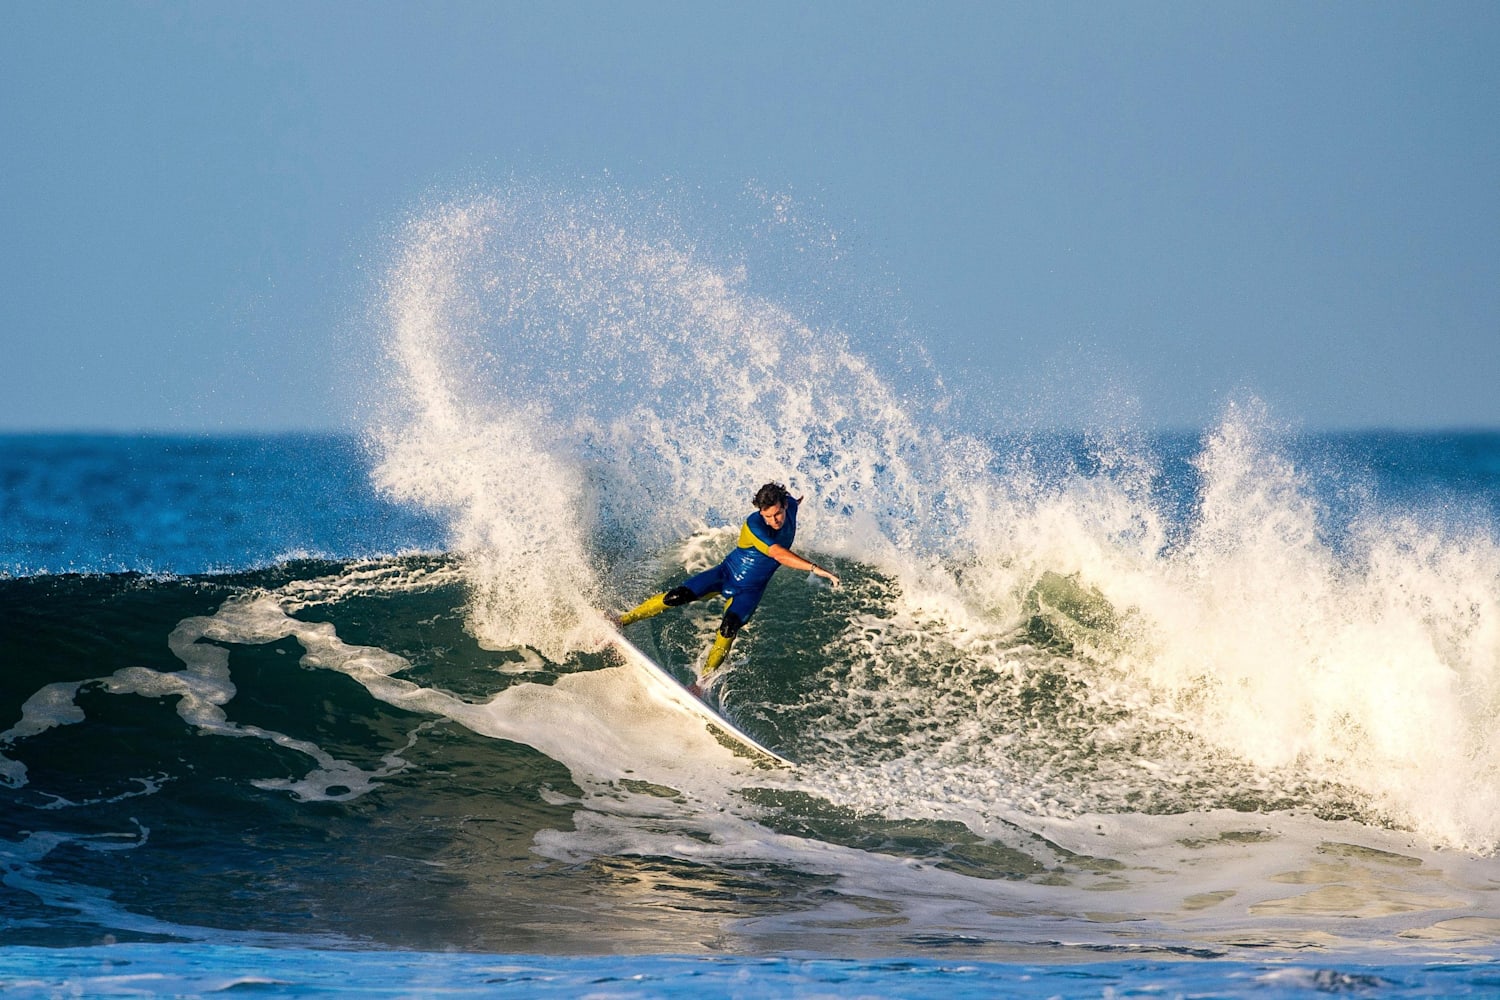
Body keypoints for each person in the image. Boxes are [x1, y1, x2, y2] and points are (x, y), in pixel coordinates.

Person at [617, 482, 840, 686]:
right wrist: (815, 568)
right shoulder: (755, 524)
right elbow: (778, 554)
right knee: (676, 597)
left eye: (778, 514)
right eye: (768, 516)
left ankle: (702, 682)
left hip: (750, 590)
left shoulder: (789, 504)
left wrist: (802, 498)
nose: (774, 520)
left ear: (784, 505)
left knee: (728, 627)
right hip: (726, 573)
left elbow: (794, 501)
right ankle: (622, 620)